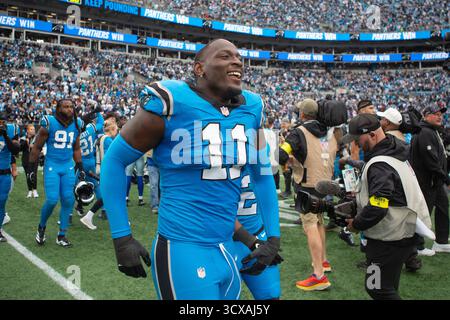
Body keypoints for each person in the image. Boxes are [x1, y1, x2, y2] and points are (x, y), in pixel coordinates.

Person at [100, 39, 281, 300]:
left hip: (226, 247)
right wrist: (121, 236)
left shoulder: (251, 108)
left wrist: (272, 237)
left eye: (239, 57)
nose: (237, 61)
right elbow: (115, 160)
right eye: (225, 56)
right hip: (183, 247)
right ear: (199, 69)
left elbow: (262, 176)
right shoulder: (172, 102)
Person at [344, 114, 432, 300]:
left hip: (389, 237)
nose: (356, 144)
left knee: (376, 287)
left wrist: (356, 224)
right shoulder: (394, 151)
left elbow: (378, 205)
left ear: (373, 135)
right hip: (404, 232)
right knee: (388, 285)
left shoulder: (380, 164)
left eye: (358, 139)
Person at [279, 99, 337, 291]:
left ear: (302, 114)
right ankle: (324, 261)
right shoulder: (329, 130)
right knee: (319, 222)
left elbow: (281, 154)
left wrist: (289, 160)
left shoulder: (298, 132)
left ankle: (319, 276)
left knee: (310, 226)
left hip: (307, 186)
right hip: (326, 185)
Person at [30, 99, 85, 247]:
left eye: (71, 107)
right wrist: (31, 168)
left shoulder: (77, 124)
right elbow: (36, 147)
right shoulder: (49, 123)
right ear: (58, 109)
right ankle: (41, 227)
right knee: (52, 199)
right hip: (52, 166)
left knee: (68, 200)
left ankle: (62, 235)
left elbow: (76, 148)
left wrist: (80, 166)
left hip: (67, 166)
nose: (69, 109)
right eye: (66, 107)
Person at [233, 169, 281, 299]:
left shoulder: (259, 150)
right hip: (220, 242)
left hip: (258, 235)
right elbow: (214, 207)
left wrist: (272, 239)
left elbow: (267, 191)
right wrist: (250, 241)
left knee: (271, 295)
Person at [410, 105, 450, 254]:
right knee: (422, 213)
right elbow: (431, 161)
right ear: (426, 116)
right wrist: (446, 179)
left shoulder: (432, 131)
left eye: (441, 114)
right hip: (426, 182)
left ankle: (441, 241)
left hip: (435, 181)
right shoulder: (424, 131)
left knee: (443, 209)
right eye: (435, 114)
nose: (440, 116)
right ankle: (417, 246)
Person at [80, 116, 119, 229]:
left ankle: (88, 216)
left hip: (100, 168)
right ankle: (88, 216)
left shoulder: (101, 138)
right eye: (116, 130)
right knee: (112, 195)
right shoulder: (107, 140)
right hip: (107, 170)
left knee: (108, 196)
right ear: (111, 130)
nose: (117, 132)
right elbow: (112, 156)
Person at [75, 109, 104, 218]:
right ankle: (104, 209)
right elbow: (101, 124)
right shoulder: (91, 128)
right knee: (96, 186)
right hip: (91, 161)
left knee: (74, 187)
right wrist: (98, 114)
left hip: (80, 163)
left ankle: (69, 214)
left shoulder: (75, 134)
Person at [0, 111, 20, 242]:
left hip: (4, 173)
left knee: (1, 203)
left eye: (2, 122)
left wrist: (5, 135)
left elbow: (15, 150)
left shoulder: (12, 129)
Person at [20, 124, 39, 198]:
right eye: (31, 129)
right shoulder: (23, 138)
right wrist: (26, 142)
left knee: (34, 174)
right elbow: (20, 148)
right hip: (26, 159)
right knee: (28, 175)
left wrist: (33, 146)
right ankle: (30, 190)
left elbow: (39, 147)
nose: (33, 130)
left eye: (34, 129)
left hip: (34, 158)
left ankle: (35, 190)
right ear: (27, 130)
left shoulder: (37, 138)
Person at [146, 149, 159, 214]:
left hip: (163, 161)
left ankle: (163, 204)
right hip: (152, 162)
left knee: (164, 184)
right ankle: (155, 205)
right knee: (154, 184)